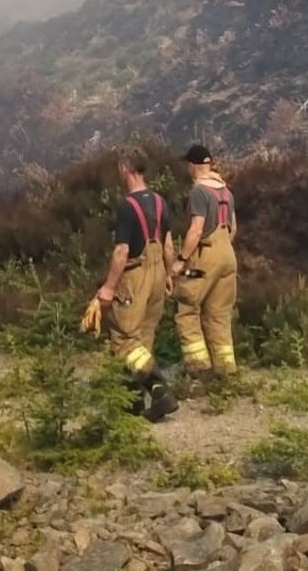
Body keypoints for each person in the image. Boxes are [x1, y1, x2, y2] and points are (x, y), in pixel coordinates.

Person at [94, 151, 179, 422]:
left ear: (126, 169)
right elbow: (167, 245)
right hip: (157, 276)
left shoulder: (127, 206)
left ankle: (161, 391)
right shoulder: (161, 202)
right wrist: (167, 275)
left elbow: (122, 251)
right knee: (143, 339)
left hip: (136, 277)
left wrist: (108, 287)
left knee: (124, 339)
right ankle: (132, 404)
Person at [172, 144, 239, 378]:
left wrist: (181, 259)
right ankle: (226, 370)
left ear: (193, 166)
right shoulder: (226, 192)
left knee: (187, 308)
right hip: (228, 256)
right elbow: (233, 228)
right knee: (219, 314)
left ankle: (199, 369)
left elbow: (196, 230)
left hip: (206, 255)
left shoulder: (199, 192)